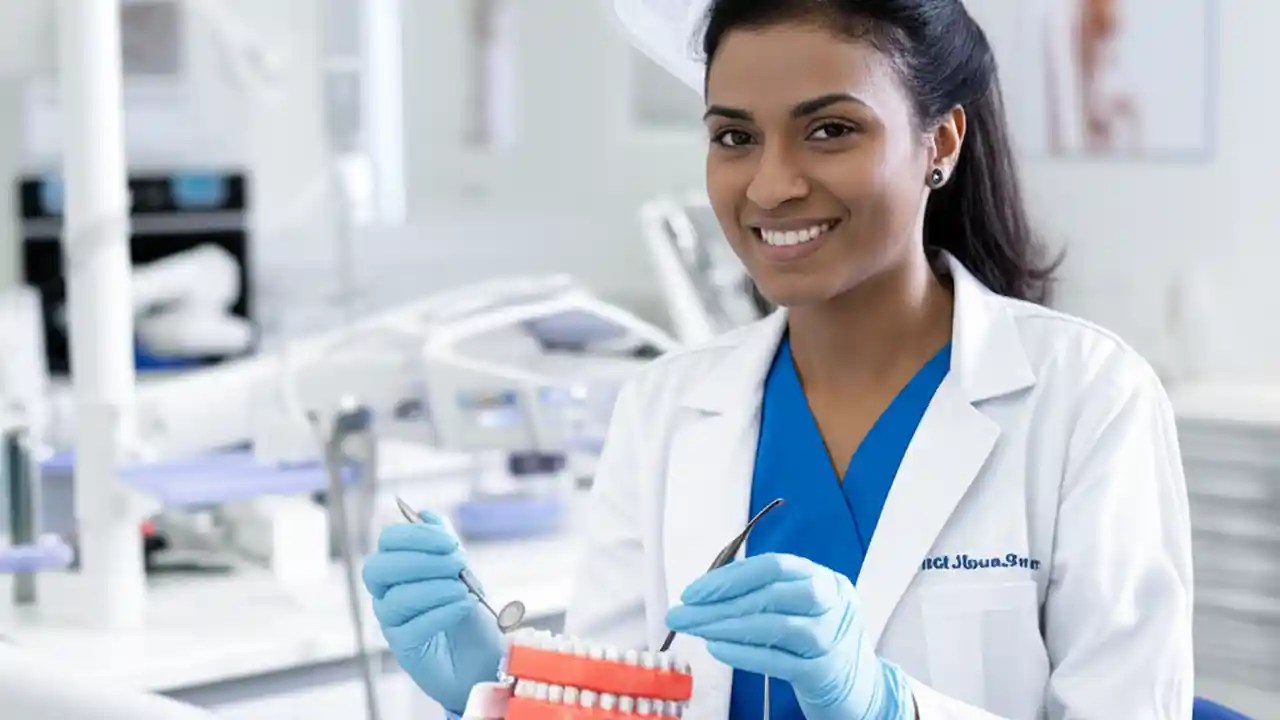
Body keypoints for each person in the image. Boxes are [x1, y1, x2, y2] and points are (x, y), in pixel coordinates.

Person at [361, 0, 1194, 718]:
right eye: (734, 136)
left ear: (940, 142)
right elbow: (618, 698)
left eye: (830, 130)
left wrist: (886, 705)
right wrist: (499, 686)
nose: (769, 186)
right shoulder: (663, 409)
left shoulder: (1085, 398)